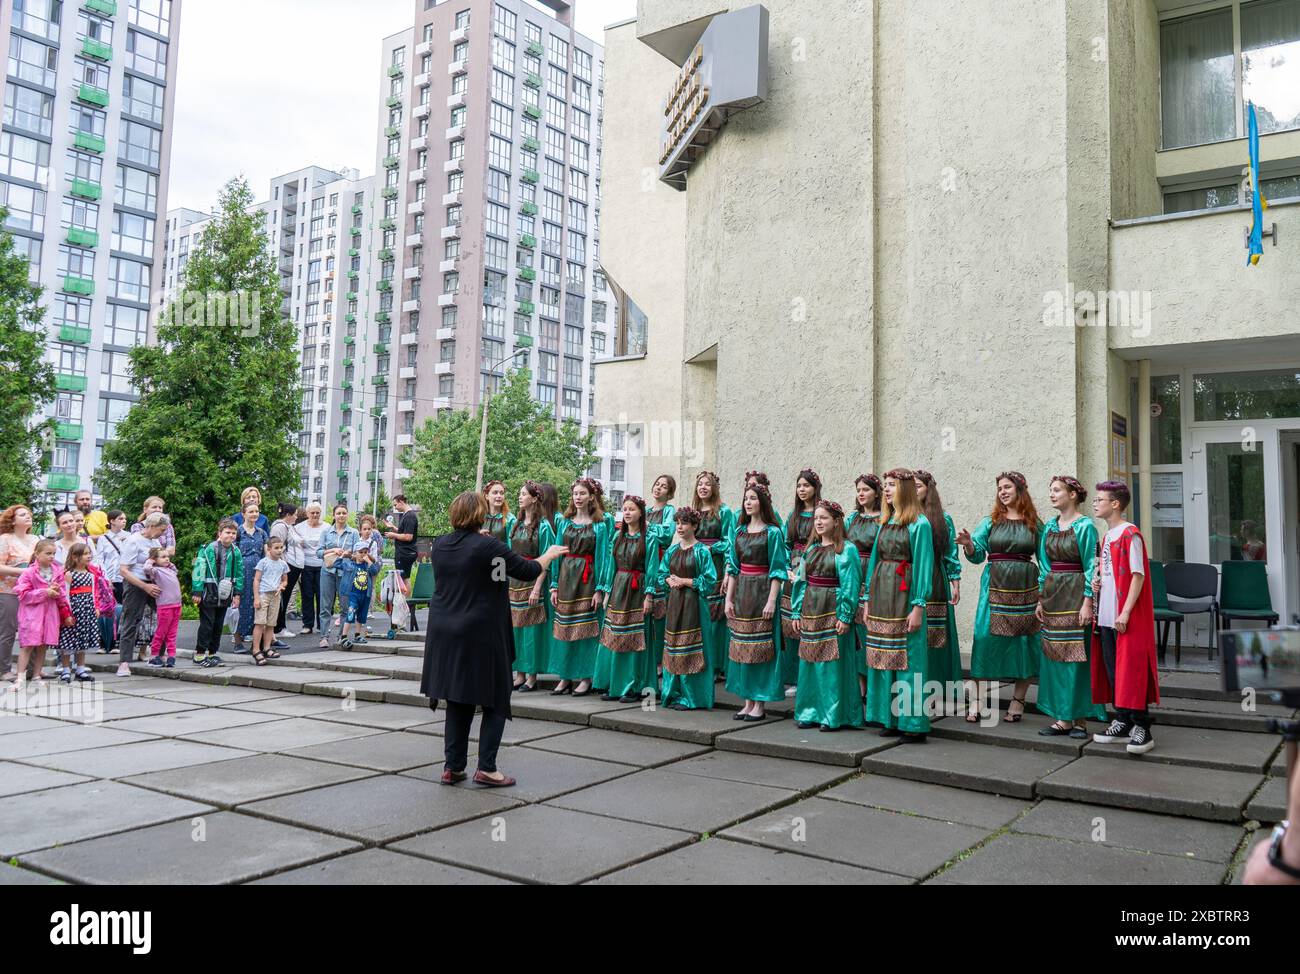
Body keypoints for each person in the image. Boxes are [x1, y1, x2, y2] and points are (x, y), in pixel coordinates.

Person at [420, 491, 568, 787]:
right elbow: (526, 570)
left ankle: (453, 766)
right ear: (479, 515)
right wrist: (549, 555)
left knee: (458, 698)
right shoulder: (489, 546)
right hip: (481, 631)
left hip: (444, 630)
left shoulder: (442, 545)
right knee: (495, 697)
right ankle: (487, 767)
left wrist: (488, 546)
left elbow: (476, 566)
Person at [957, 471, 1043, 724]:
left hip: (1025, 588)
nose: (1002, 492)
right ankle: (977, 701)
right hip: (994, 585)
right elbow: (977, 554)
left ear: (1020, 490)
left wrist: (1043, 593)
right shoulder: (991, 521)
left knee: (1024, 643)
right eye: (999, 488)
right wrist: (969, 544)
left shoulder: (1034, 523)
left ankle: (1018, 701)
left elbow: (1045, 560)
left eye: (1007, 487)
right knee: (984, 638)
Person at [863, 469, 935, 742]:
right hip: (882, 594)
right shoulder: (885, 521)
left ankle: (913, 722)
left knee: (909, 659)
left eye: (891, 485)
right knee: (883, 656)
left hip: (905, 596)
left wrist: (918, 605)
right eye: (885, 486)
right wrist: (867, 599)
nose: (886, 490)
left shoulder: (919, 524)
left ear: (904, 489)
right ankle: (888, 717)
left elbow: (924, 567)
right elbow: (873, 562)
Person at [1090, 480, 1160, 755]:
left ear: (1115, 503)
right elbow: (1110, 572)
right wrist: (1099, 583)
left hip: (1124, 617)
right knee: (1113, 670)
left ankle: (1142, 726)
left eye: (1100, 499)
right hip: (1106, 616)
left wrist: (1127, 611)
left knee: (1132, 670)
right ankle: (1122, 720)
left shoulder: (1131, 534)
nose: (1095, 503)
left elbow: (1138, 575)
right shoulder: (1108, 536)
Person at [1034, 476, 1107, 737]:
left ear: (1073, 494)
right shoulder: (1050, 527)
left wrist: (1088, 602)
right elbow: (1043, 565)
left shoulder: (1085, 526)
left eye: (1057, 490)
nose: (1052, 495)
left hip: (1076, 595)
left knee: (1076, 656)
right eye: (1050, 490)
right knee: (1055, 656)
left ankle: (1079, 720)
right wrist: (1040, 598)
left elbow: (1092, 565)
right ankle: (1061, 717)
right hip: (1053, 596)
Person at [790, 500, 864, 732]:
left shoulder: (847, 549)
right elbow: (801, 582)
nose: (819, 522)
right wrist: (796, 611)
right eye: (817, 518)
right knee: (810, 662)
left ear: (836, 522)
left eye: (824, 518)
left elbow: (851, 585)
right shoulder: (810, 550)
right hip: (812, 610)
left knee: (832, 665)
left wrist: (845, 615)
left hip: (833, 609)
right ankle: (809, 711)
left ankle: (832, 715)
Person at [723, 483, 788, 721]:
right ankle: (747, 701)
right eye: (745, 499)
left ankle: (759, 703)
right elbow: (733, 567)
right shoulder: (739, 531)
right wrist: (728, 599)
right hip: (742, 593)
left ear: (762, 502)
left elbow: (778, 570)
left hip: (761, 592)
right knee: (742, 649)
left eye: (752, 498)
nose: (747, 502)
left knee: (761, 650)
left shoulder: (773, 533)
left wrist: (772, 601)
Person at [594, 495, 661, 702]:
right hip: (619, 590)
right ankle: (615, 685)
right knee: (615, 636)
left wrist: (649, 596)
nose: (627, 513)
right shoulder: (617, 537)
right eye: (625, 509)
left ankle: (634, 686)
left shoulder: (649, 538)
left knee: (635, 640)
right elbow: (610, 566)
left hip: (637, 590)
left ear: (641, 512)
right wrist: (606, 592)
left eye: (631, 509)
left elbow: (652, 568)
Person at [548, 478, 609, 696]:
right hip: (566, 579)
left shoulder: (599, 526)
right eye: (575, 494)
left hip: (587, 581)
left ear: (591, 497)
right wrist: (554, 585)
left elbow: (603, 558)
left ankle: (585, 677)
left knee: (586, 630)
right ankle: (565, 677)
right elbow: (556, 554)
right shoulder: (564, 523)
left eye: (582, 493)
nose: (578, 497)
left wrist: (600, 589)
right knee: (564, 628)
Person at [656, 506, 717, 711]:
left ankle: (694, 697)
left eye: (684, 523)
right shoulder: (672, 550)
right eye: (678, 523)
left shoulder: (702, 551)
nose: (680, 527)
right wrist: (668, 580)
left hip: (695, 606)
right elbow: (661, 573)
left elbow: (709, 582)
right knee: (674, 647)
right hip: (675, 604)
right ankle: (673, 693)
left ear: (695, 526)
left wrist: (685, 581)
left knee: (694, 648)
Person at [915, 470, 963, 706]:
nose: (914, 491)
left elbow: (950, 554)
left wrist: (955, 581)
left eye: (918, 486)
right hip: (909, 577)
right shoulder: (903, 516)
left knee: (935, 636)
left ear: (928, 489)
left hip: (935, 578)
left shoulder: (943, 518)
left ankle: (934, 691)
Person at [690, 471, 735, 681]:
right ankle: (698, 659)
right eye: (700, 484)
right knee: (697, 612)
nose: (703, 487)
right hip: (696, 564)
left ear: (714, 488)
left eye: (707, 484)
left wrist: (711, 549)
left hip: (715, 565)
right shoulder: (693, 512)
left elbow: (729, 542)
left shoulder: (724, 512)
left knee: (715, 614)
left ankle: (717, 665)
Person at [508, 481, 553, 692]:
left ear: (534, 498)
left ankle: (532, 676)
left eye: (524, 494)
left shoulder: (543, 527)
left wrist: (537, 588)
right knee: (515, 630)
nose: (520, 497)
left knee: (532, 632)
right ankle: (519, 674)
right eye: (519, 494)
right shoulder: (514, 525)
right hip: (514, 582)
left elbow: (546, 559)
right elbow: (507, 555)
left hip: (532, 580)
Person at [781, 469, 822, 688]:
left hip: (813, 563)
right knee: (791, 625)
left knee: (808, 620)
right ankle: (793, 678)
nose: (802, 490)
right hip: (794, 565)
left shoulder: (821, 513)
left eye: (806, 485)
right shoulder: (793, 515)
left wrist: (803, 570)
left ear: (815, 488)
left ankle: (809, 678)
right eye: (799, 486)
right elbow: (787, 544)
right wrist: (788, 568)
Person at [117, 513, 169, 677]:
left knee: (164, 616)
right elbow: (124, 570)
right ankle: (124, 662)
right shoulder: (133, 540)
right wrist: (144, 587)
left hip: (153, 583)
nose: (163, 533)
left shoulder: (155, 541)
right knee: (132, 620)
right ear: (152, 526)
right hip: (135, 584)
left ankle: (160, 655)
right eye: (162, 529)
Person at [11, 540, 66, 691]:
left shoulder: (57, 571)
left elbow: (62, 592)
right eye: (48, 553)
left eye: (54, 554)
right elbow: (22, 593)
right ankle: (20, 676)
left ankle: (36, 675)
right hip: (32, 614)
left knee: (43, 645)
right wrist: (44, 592)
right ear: (37, 554)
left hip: (50, 613)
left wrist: (56, 592)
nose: (51, 556)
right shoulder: (29, 572)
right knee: (27, 644)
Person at [846, 474, 883, 693]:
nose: (861, 494)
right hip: (854, 576)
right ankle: (861, 686)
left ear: (876, 493)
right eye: (858, 490)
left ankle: (875, 687)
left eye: (865, 490)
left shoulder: (885, 518)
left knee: (872, 630)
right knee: (857, 632)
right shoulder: (852, 519)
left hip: (875, 575)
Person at [191, 519, 242, 668]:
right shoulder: (207, 549)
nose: (231, 535)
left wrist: (237, 593)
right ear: (219, 533)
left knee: (218, 624)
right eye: (228, 532)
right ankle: (199, 654)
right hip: (208, 592)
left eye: (234, 533)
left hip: (225, 593)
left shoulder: (235, 551)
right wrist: (197, 591)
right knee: (207, 624)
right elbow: (198, 569)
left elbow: (239, 573)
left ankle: (213, 653)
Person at [643, 474, 677, 686]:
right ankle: (646, 661)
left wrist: (647, 526)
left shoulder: (669, 511)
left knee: (659, 615)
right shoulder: (645, 510)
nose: (659, 488)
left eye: (664, 486)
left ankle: (659, 662)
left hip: (660, 561)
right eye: (657, 484)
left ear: (669, 493)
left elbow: (666, 534)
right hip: (643, 562)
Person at [0, 505, 39, 681]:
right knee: (7, 631)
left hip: (32, 592)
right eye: (23, 515)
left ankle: (33, 670)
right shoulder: (5, 539)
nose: (28, 516)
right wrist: (23, 572)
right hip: (8, 590)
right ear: (13, 520)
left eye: (29, 514)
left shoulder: (35, 539)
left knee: (33, 630)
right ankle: (4, 669)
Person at [55, 543, 101, 683]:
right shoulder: (68, 574)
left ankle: (81, 669)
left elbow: (94, 592)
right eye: (86, 554)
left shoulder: (91, 574)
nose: (89, 556)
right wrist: (66, 614)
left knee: (83, 639)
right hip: (73, 611)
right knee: (68, 640)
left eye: (89, 553)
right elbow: (65, 595)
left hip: (87, 611)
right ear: (75, 557)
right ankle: (66, 669)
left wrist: (96, 607)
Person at [316, 504, 359, 648]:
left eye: (344, 513)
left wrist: (349, 554)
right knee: (325, 606)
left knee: (345, 606)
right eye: (338, 513)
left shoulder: (353, 533)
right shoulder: (326, 532)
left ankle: (342, 636)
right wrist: (332, 550)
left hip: (346, 572)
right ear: (334, 515)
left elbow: (358, 554)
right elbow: (319, 552)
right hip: (328, 571)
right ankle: (324, 637)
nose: (341, 515)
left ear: (347, 515)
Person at [232, 501, 268, 653]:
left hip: (259, 574)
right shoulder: (238, 532)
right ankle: (238, 641)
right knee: (240, 606)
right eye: (251, 511)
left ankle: (257, 643)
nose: (254, 514)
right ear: (243, 514)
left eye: (256, 511)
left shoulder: (261, 533)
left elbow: (266, 554)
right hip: (242, 572)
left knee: (258, 605)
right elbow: (232, 554)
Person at [383, 494, 420, 638]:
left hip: (406, 553)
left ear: (401, 502)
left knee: (404, 578)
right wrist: (394, 528)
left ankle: (402, 604)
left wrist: (393, 535)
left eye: (395, 504)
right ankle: (402, 604)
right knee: (405, 577)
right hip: (405, 552)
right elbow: (404, 532)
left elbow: (408, 537)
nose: (394, 507)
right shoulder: (407, 515)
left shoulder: (410, 515)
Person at [340, 523, 380, 648]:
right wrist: (343, 555)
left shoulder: (367, 566)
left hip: (365, 594)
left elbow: (375, 572)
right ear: (355, 553)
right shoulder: (351, 565)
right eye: (360, 552)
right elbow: (338, 564)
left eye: (365, 552)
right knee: (350, 615)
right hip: (353, 594)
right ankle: (344, 637)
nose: (363, 554)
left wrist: (369, 562)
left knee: (361, 616)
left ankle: (358, 635)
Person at [251, 536, 289, 665]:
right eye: (276, 548)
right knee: (260, 622)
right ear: (269, 549)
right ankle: (256, 649)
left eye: (281, 548)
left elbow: (285, 580)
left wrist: (282, 586)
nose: (279, 550)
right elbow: (256, 580)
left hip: (276, 595)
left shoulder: (283, 564)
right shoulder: (263, 562)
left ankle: (267, 648)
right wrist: (256, 597)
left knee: (271, 623)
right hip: (263, 594)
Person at [145, 547, 182, 668]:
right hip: (165, 606)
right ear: (155, 559)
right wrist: (151, 560)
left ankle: (171, 655)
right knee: (161, 632)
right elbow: (146, 568)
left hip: (177, 605)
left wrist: (168, 563)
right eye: (163, 557)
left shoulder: (170, 570)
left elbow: (175, 569)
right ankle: (153, 655)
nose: (167, 559)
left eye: (168, 557)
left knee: (172, 633)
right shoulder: (156, 571)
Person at [269, 502, 301, 647]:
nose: (296, 517)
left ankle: (280, 626)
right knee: (282, 597)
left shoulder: (287, 527)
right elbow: (278, 547)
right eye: (294, 514)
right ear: (288, 515)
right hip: (283, 567)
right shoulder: (280, 527)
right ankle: (278, 628)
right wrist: (283, 567)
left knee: (284, 597)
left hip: (288, 565)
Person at [294, 504, 325, 637]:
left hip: (322, 565)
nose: (315, 515)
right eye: (312, 513)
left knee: (321, 595)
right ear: (307, 513)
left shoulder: (327, 527)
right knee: (307, 595)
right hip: (305, 565)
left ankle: (321, 624)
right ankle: (307, 625)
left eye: (317, 513)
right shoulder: (299, 528)